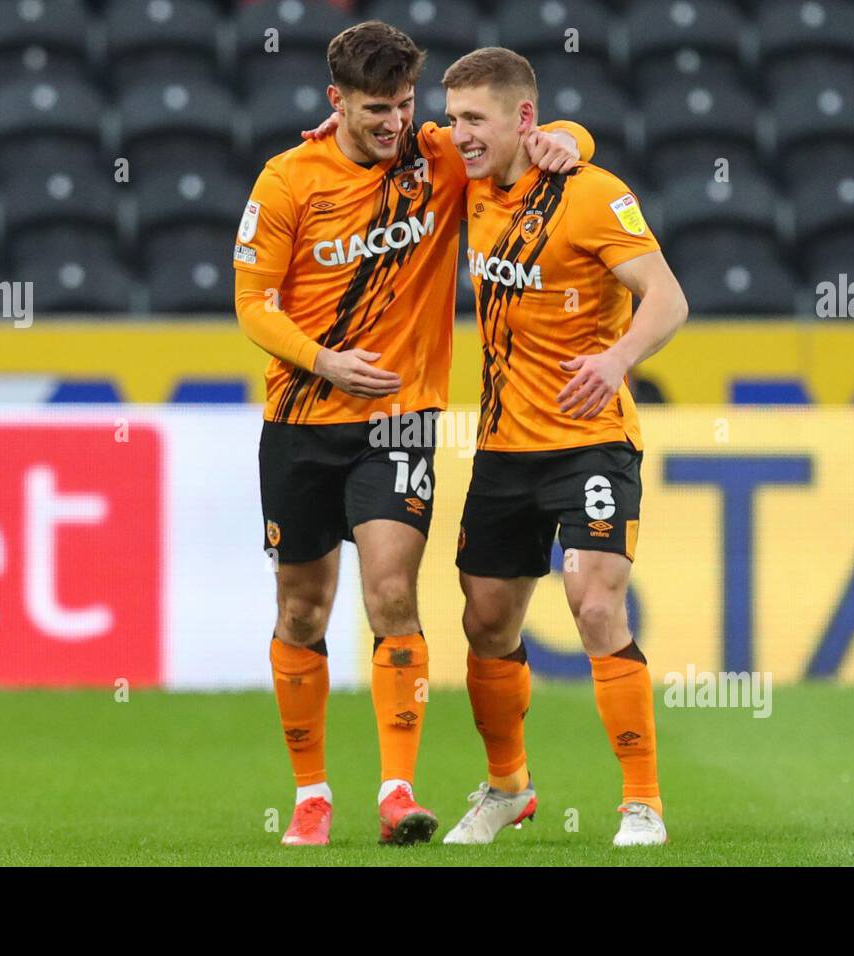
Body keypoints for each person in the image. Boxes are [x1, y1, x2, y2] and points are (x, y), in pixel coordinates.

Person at [233, 21, 594, 847]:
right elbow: (254, 304)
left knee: (392, 592)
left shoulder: (435, 158)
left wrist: (568, 140)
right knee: (302, 607)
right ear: (335, 103)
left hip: (399, 416)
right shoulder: (287, 181)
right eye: (373, 109)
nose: (394, 122)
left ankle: (398, 791)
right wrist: (325, 360)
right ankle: (312, 795)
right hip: (300, 417)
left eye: (402, 105)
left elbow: (530, 135)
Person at [437, 47, 688, 847]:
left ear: (520, 119)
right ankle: (509, 787)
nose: (458, 134)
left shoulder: (591, 194)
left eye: (474, 119)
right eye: (452, 118)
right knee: (486, 623)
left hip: (591, 443)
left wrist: (616, 359)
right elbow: (382, 145)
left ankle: (642, 801)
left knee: (594, 602)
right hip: (504, 446)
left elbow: (668, 297)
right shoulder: (465, 181)